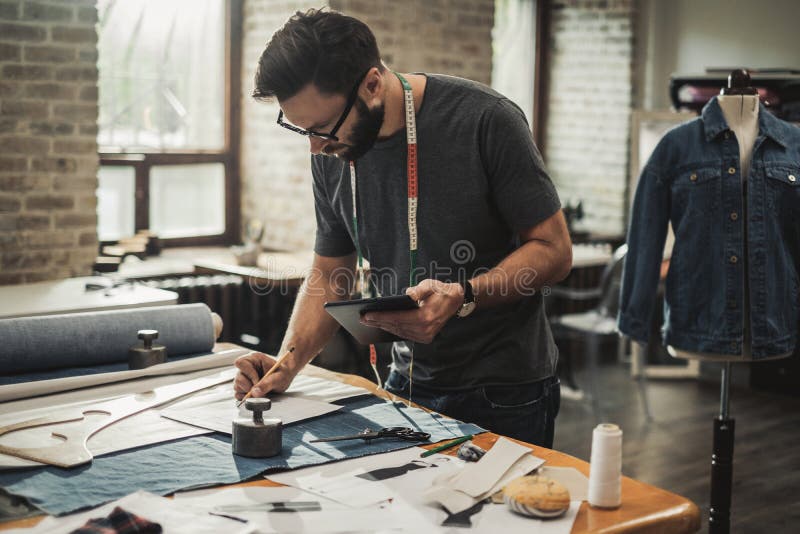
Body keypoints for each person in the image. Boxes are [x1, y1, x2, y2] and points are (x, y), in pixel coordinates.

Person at [234, 8, 572, 447]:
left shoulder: (486, 120)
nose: (316, 148)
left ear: (372, 84)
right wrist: (286, 365)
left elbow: (553, 249)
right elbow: (329, 273)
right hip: (406, 382)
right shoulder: (332, 153)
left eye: (322, 128)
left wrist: (465, 295)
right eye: (302, 131)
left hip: (505, 390)